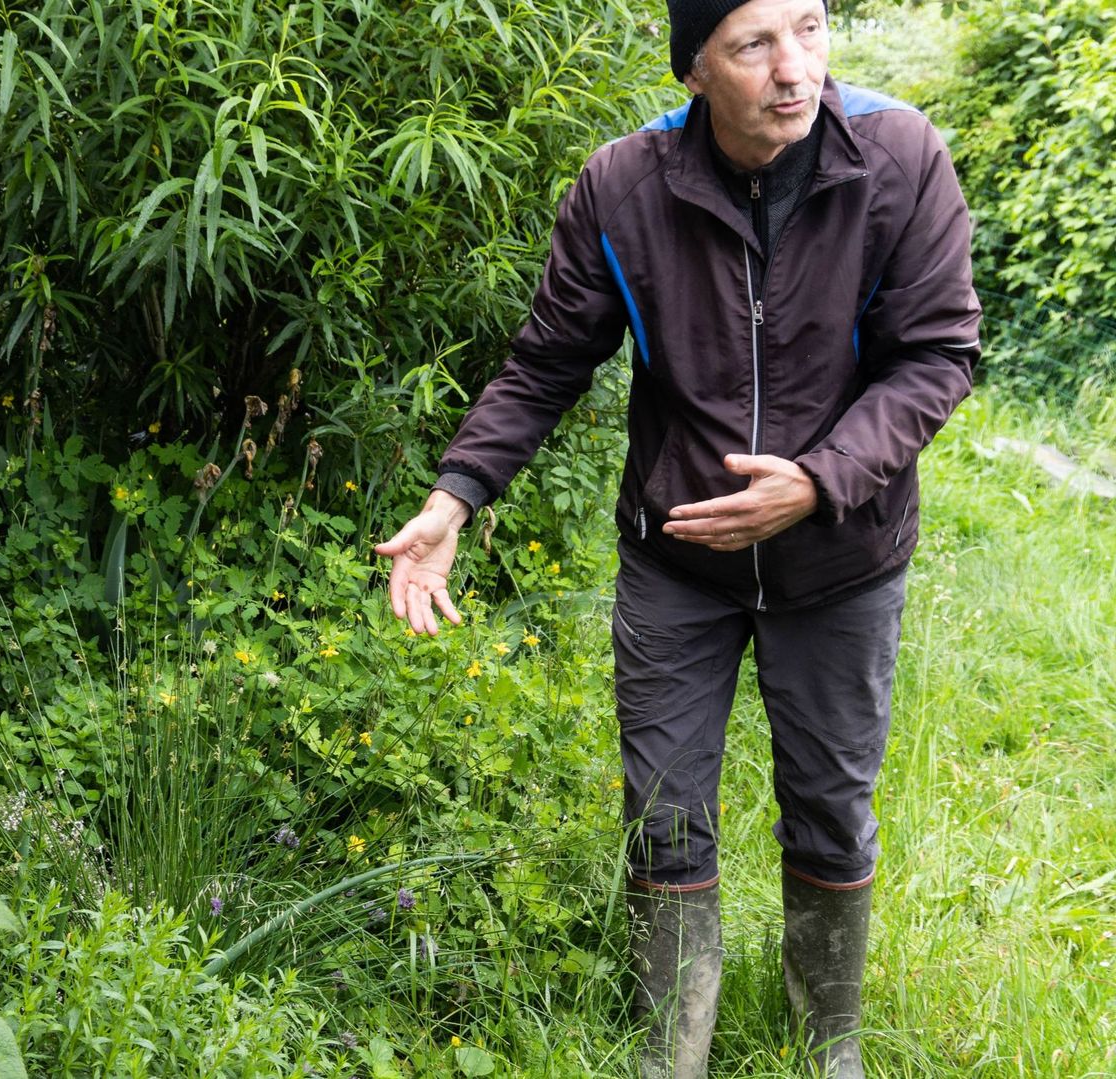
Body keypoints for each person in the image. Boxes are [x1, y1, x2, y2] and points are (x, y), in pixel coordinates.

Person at [372, 0, 980, 1075]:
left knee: (833, 809)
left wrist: (820, 481)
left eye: (811, 25)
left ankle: (827, 1044)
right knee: (663, 816)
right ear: (694, 68)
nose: (794, 69)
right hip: (677, 564)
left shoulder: (898, 154)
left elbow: (935, 354)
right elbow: (549, 359)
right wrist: (455, 496)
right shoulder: (624, 187)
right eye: (754, 45)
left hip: (842, 556)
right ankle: (673, 1052)